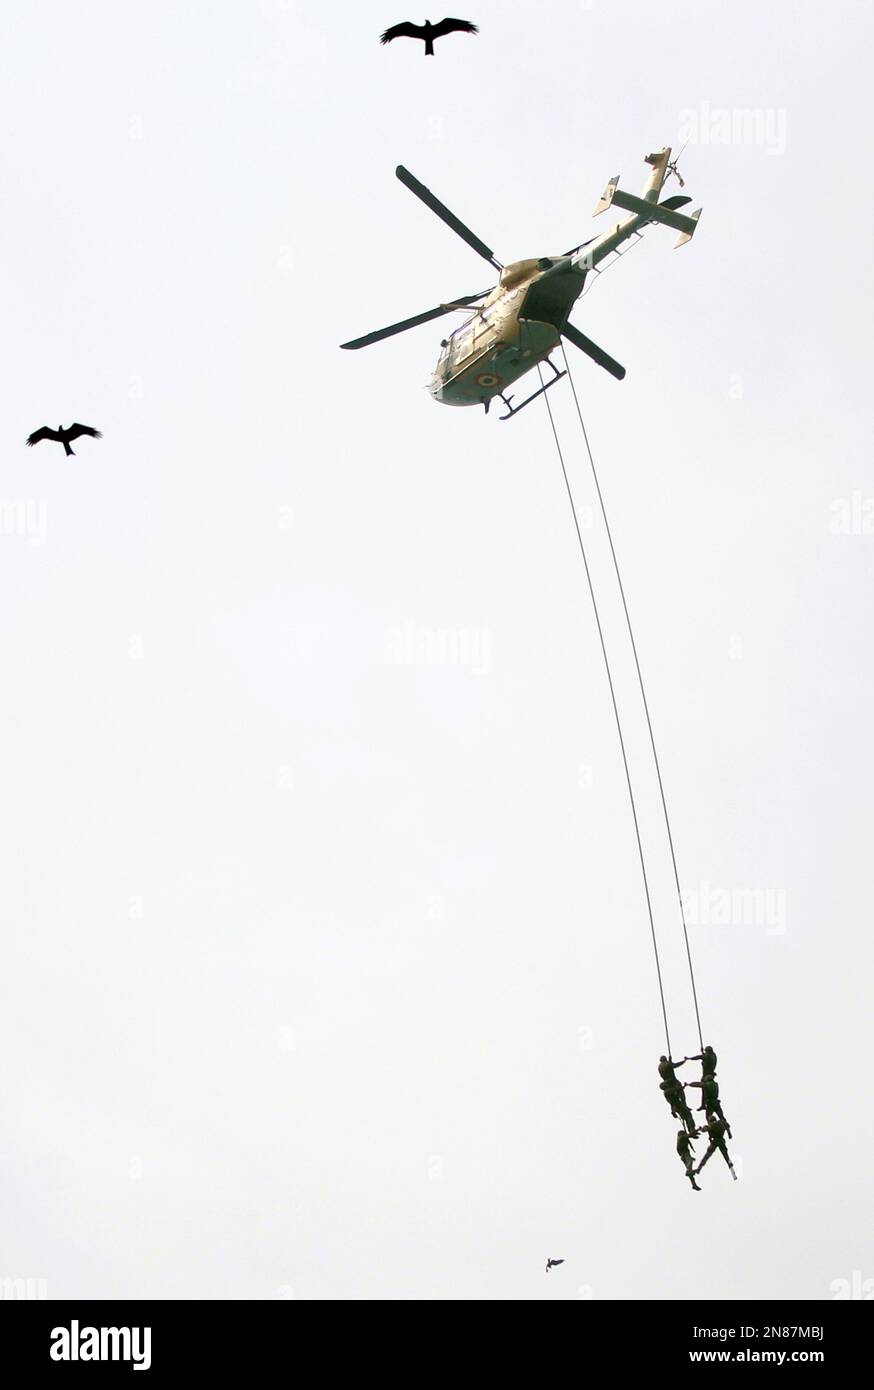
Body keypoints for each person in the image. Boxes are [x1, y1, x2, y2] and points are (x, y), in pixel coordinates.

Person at [686, 1072, 732, 1137]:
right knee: (722, 1117)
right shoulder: (716, 1084)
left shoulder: (706, 1084)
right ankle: (728, 1130)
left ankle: (711, 1130)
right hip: (716, 1102)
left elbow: (696, 1084)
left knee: (708, 1118)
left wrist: (688, 1084)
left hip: (710, 1103)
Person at [695, 1114, 737, 1181]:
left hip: (715, 1142)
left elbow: (704, 1129)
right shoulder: (721, 1122)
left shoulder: (710, 1125)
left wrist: (701, 1129)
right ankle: (732, 1170)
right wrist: (729, 1133)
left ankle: (699, 1168)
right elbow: (727, 1126)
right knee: (726, 1157)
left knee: (707, 1156)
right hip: (721, 1141)